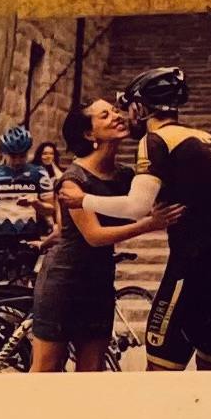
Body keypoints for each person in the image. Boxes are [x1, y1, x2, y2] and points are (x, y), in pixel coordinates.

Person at [54, 73, 211, 369]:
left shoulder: (155, 140)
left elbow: (137, 207)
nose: (124, 116)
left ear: (140, 107)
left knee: (160, 369)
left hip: (197, 264)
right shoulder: (206, 138)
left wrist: (83, 200)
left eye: (126, 108)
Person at [27, 100, 138, 371]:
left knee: (92, 372)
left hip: (99, 279)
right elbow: (94, 235)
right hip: (65, 281)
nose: (116, 116)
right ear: (89, 134)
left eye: (114, 110)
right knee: (47, 368)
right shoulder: (74, 178)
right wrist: (152, 223)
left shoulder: (124, 175)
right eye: (105, 115)